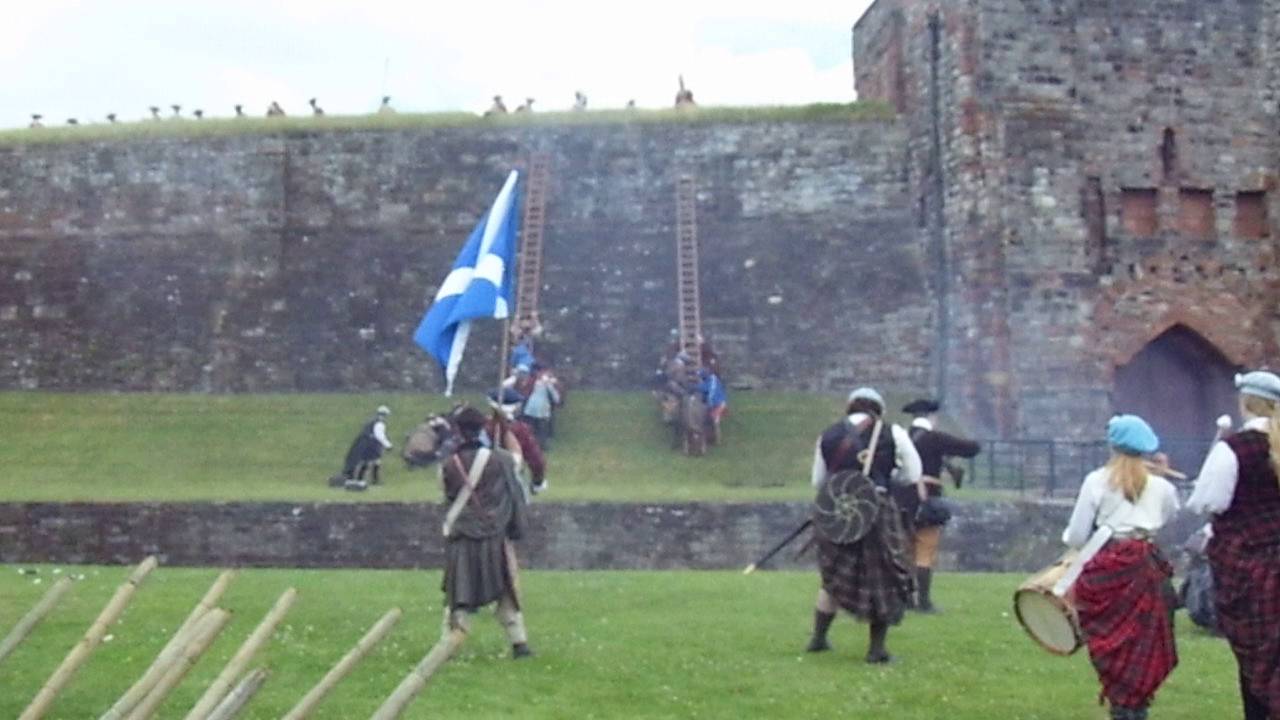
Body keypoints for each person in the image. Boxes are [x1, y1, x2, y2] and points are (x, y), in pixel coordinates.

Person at [1062, 414, 1180, 720]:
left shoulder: (1096, 481)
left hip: (1108, 566)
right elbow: (1169, 517)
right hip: (1145, 565)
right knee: (1143, 640)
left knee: (1111, 643)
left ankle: (1122, 706)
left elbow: (1076, 535)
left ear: (1112, 445)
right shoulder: (1162, 486)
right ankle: (1137, 705)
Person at [1187, 370, 1280, 720]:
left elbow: (1208, 503)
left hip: (1251, 567)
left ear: (1246, 402)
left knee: (1258, 656)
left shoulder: (1232, 449)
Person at [806, 387, 922, 663]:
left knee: (834, 575)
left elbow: (818, 482)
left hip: (836, 513)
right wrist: (889, 477)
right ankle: (876, 650)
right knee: (883, 576)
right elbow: (912, 473)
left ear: (850, 407)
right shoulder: (892, 432)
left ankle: (819, 638)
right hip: (876, 510)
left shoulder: (829, 435)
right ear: (878, 409)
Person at [438, 405, 533, 659]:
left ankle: (448, 646)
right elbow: (517, 457)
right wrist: (505, 428)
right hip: (494, 538)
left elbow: (446, 494)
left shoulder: (448, 465)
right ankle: (519, 644)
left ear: (458, 430)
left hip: (462, 538)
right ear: (482, 428)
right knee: (504, 593)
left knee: (460, 594)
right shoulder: (499, 460)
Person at [899, 398, 981, 612]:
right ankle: (924, 602)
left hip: (899, 499)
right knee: (926, 549)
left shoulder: (902, 437)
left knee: (906, 550)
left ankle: (906, 599)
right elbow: (972, 449)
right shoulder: (934, 438)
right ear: (932, 417)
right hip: (925, 499)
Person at [486, 389, 547, 495]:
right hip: (511, 482)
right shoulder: (521, 430)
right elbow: (536, 460)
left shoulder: (483, 426)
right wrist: (538, 482)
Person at [337, 405, 394, 489]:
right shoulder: (379, 423)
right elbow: (379, 435)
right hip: (370, 444)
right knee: (371, 461)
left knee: (372, 461)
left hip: (366, 443)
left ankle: (366, 479)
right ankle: (368, 480)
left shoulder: (372, 422)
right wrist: (388, 445)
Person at [522, 368, 561, 451]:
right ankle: (541, 446)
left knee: (531, 427)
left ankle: (529, 444)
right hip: (541, 409)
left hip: (531, 407)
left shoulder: (537, 383)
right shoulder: (547, 385)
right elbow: (555, 397)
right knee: (542, 429)